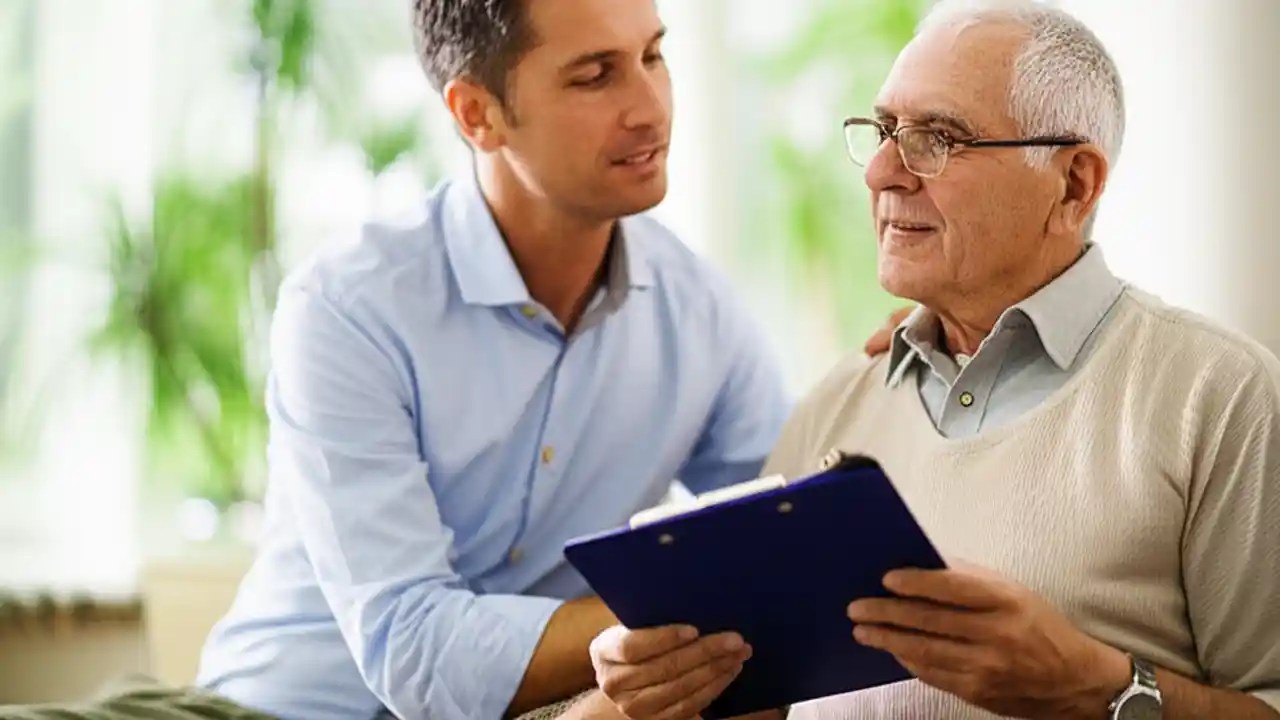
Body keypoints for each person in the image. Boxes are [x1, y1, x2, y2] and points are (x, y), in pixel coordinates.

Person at [191, 1, 909, 719]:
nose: (650, 109)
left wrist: (908, 373)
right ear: (477, 114)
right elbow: (414, 650)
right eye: (594, 76)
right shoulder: (350, 307)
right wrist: (665, 612)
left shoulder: (695, 309)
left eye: (653, 57)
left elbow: (795, 521)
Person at [586, 1, 1280, 719]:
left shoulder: (1220, 397)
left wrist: (1097, 687)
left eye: (938, 139)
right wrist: (662, 682)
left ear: (1074, 183)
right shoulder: (836, 402)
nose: (881, 172)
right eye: (885, 130)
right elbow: (762, 696)